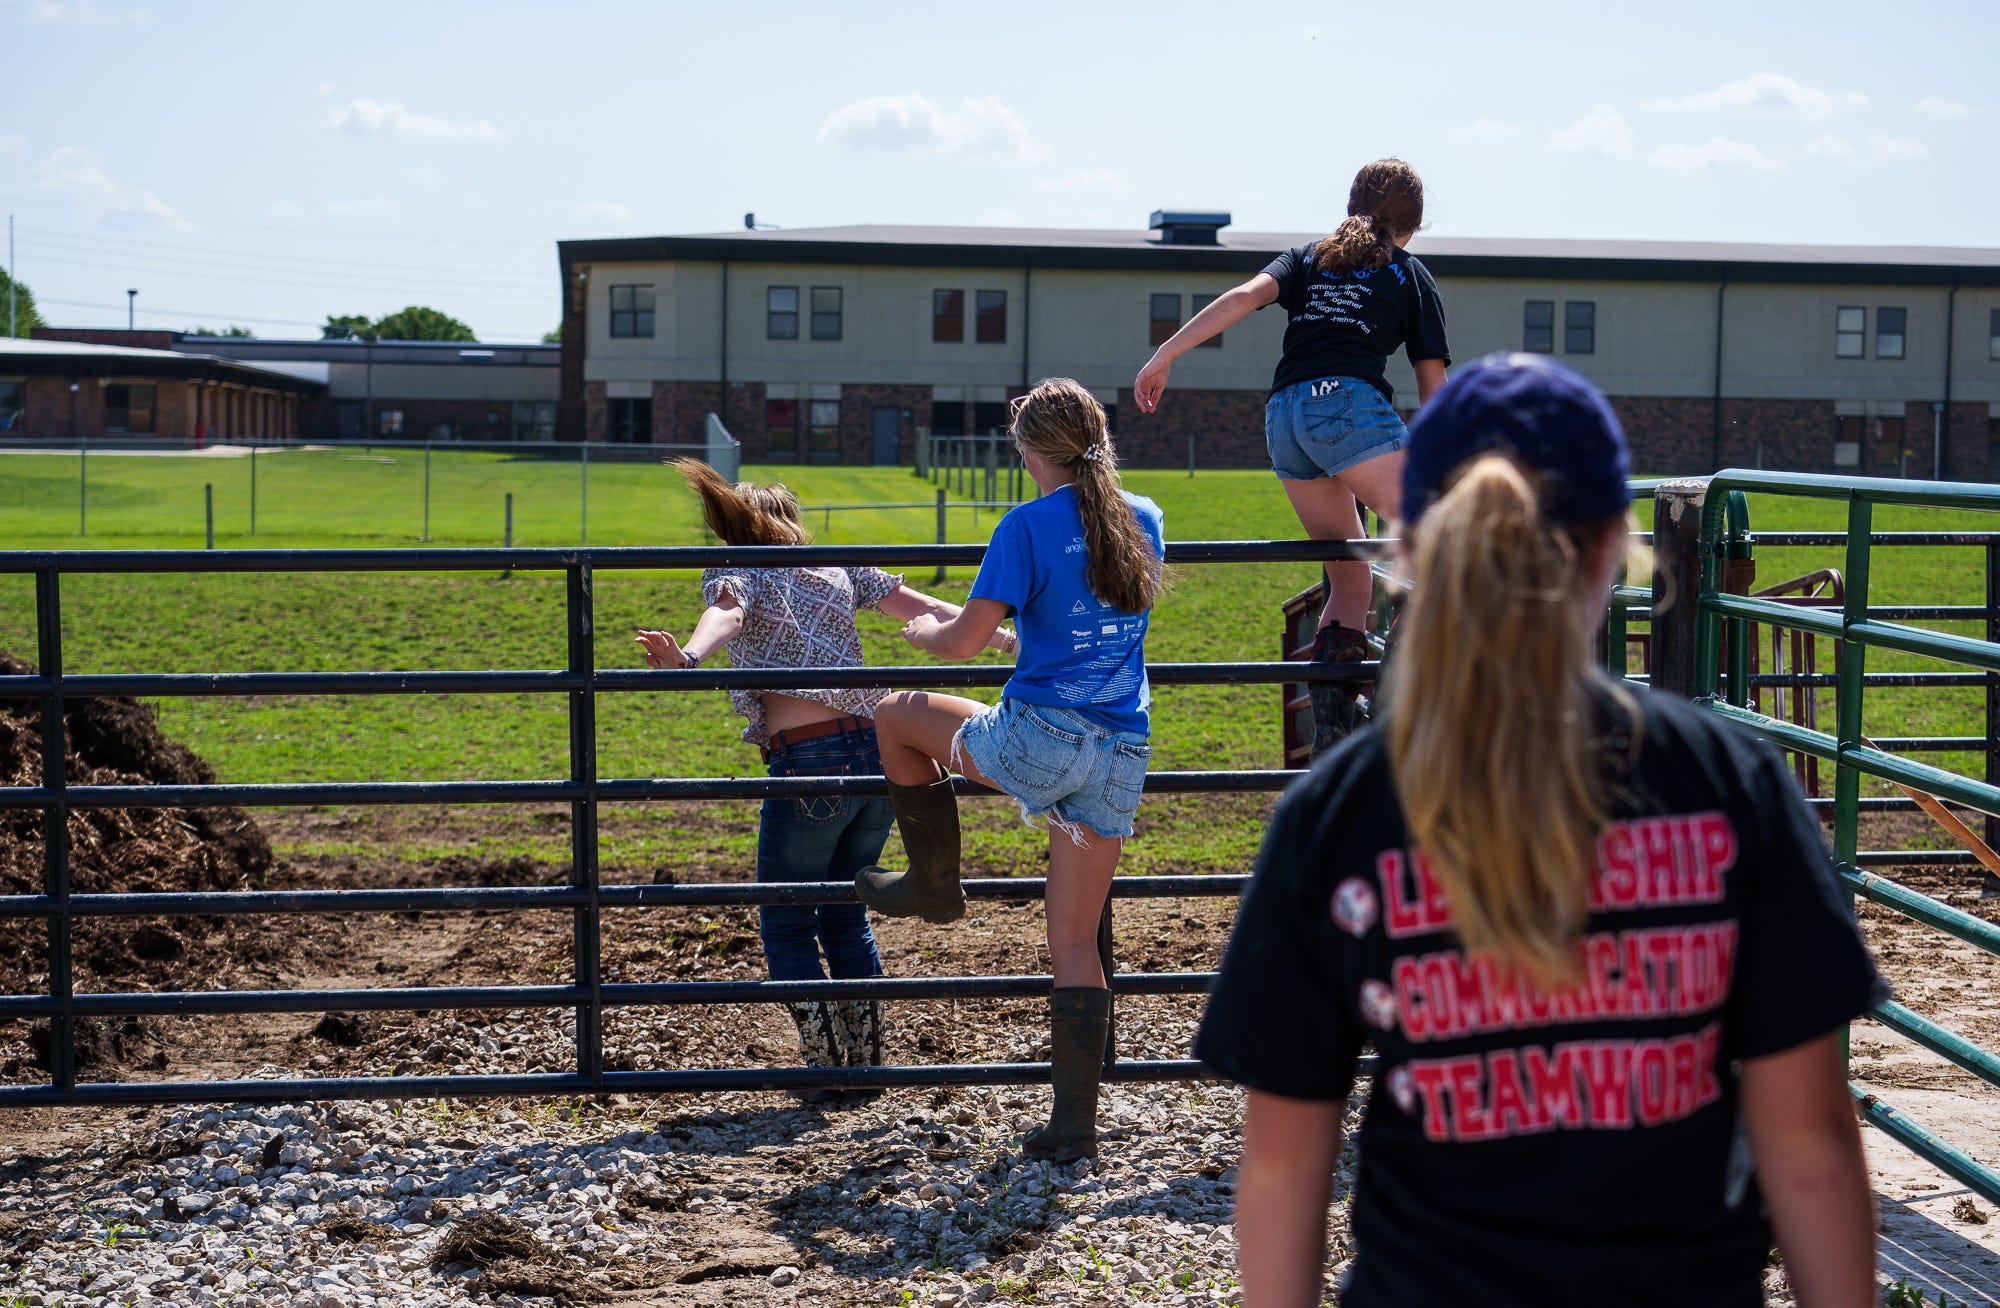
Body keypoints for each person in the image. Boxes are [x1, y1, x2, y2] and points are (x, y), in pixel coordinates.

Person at [1196, 354, 1883, 1307]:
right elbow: (1806, 1142)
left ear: (1415, 552)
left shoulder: (1342, 808)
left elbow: (1279, 1171)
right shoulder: (1728, 784)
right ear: (1612, 548)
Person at [854, 378, 1164, 1162]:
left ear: (1028, 451)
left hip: (1038, 741)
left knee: (896, 715)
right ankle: (1073, 1130)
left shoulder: (1024, 525)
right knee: (1073, 941)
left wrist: (923, 629)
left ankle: (933, 884)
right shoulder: (1146, 517)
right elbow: (1097, 621)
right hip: (1123, 749)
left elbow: (960, 643)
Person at [636, 458, 1017, 1080]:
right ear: (792, 521)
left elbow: (727, 616)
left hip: (807, 759)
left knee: (785, 919)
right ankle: (864, 1060)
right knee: (845, 910)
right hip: (876, 755)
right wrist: (999, 637)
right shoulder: (836, 565)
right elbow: (916, 603)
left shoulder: (739, 568)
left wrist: (688, 658)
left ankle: (820, 1062)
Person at [1134, 158, 1450, 757]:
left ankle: (1332, 731)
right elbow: (1433, 387)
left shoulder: (1309, 257)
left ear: (1351, 204)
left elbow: (1242, 297)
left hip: (1284, 418)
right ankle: (1393, 704)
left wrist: (1164, 355)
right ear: (1411, 226)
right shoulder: (1409, 275)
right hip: (1347, 406)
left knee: (1349, 575)